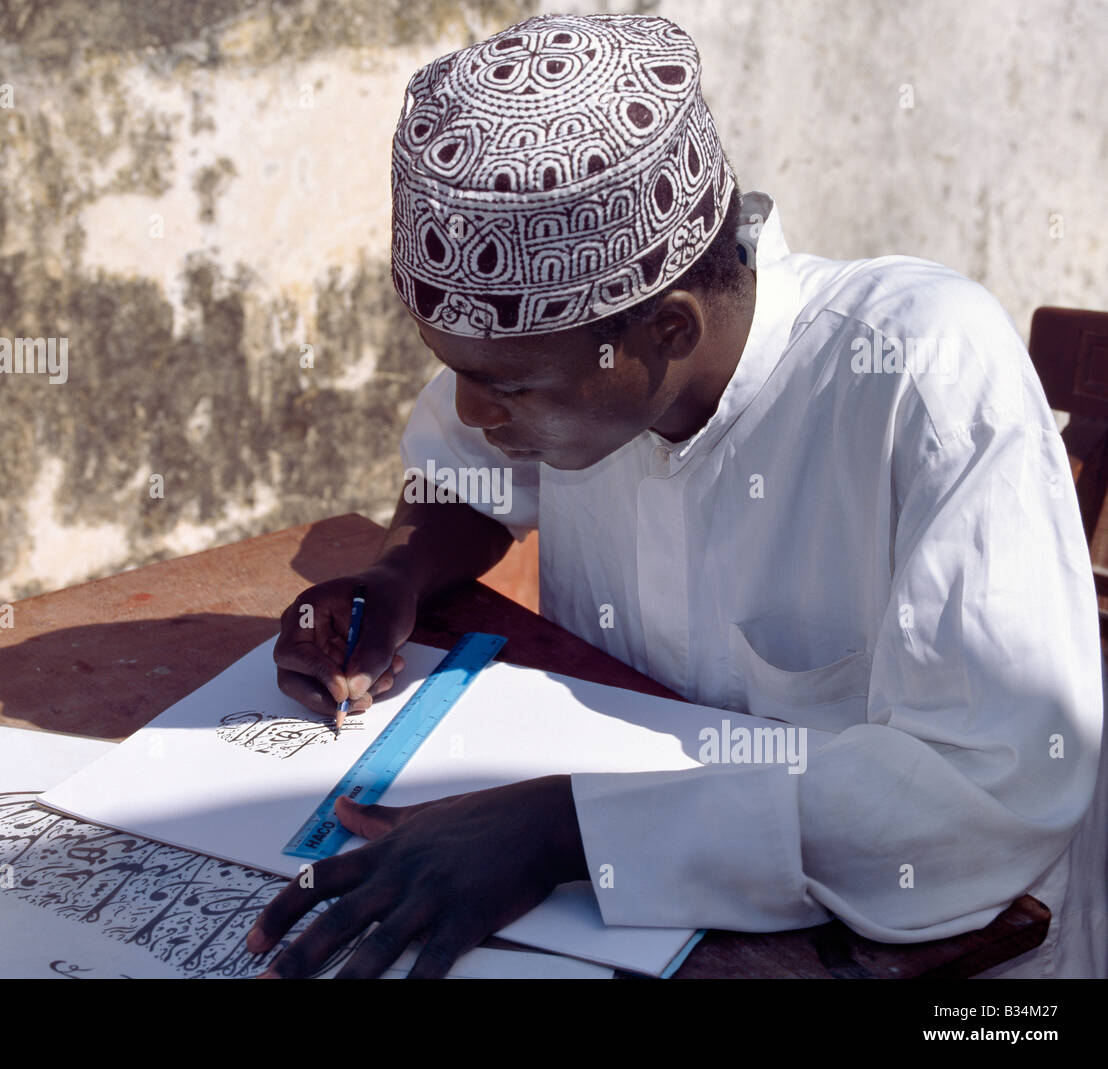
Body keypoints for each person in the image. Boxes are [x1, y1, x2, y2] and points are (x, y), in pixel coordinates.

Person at [245, 12, 1106, 979]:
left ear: (667, 330)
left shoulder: (922, 374)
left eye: (511, 385)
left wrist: (555, 831)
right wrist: (397, 570)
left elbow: (985, 796)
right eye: (457, 369)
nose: (476, 408)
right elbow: (465, 477)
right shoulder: (585, 371)